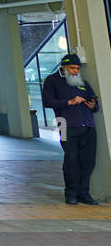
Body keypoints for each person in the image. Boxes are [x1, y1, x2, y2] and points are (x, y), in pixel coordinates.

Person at [41, 53, 100, 205]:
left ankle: (84, 193)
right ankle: (71, 193)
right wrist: (70, 102)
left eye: (77, 68)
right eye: (72, 68)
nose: (75, 71)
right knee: (71, 159)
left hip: (87, 125)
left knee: (88, 161)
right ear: (64, 67)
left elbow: (95, 103)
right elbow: (47, 102)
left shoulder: (83, 83)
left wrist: (93, 105)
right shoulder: (52, 81)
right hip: (65, 124)